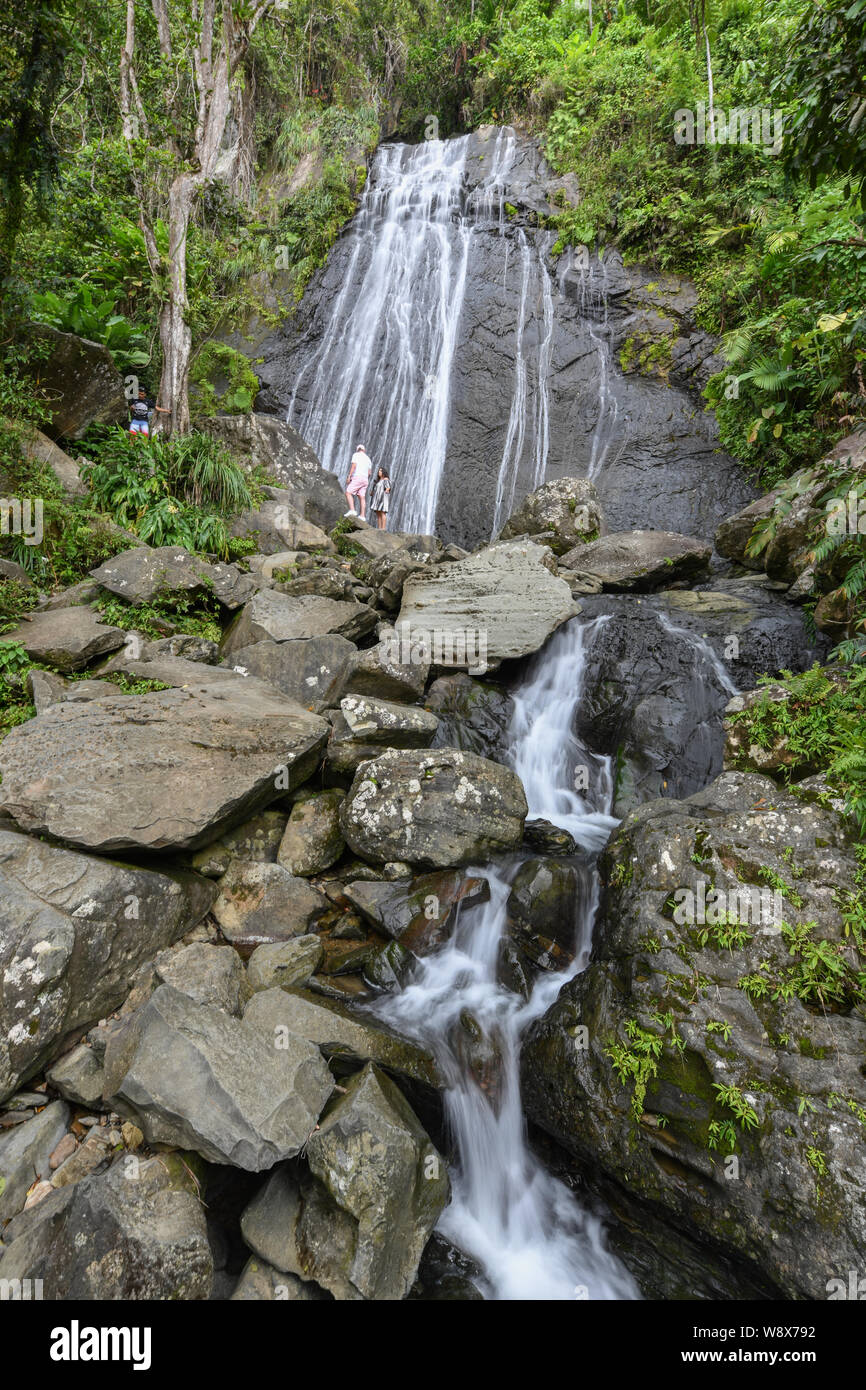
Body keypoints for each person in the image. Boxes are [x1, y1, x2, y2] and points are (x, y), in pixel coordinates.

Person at [344, 443, 372, 519]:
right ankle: (362, 516)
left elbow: (354, 466)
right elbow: (369, 473)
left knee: (348, 493)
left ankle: (352, 510)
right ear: (364, 450)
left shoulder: (356, 455)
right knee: (362, 497)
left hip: (357, 477)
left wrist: (349, 476)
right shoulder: (368, 459)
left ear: (357, 450)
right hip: (365, 479)